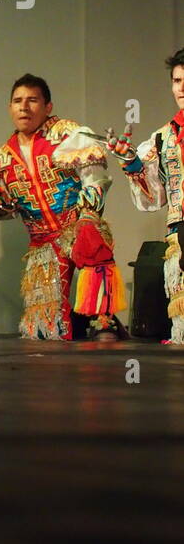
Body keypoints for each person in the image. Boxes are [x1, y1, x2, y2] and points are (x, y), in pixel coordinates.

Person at [0, 74, 126, 340]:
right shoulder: (1, 158)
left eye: (32, 100)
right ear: (10, 108)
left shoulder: (68, 134)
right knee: (45, 331)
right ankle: (72, 324)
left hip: (77, 224)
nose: (24, 107)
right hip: (42, 241)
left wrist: (87, 216)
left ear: (48, 107)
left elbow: (94, 175)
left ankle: (103, 320)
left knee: (92, 240)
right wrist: (1, 207)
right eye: (17, 101)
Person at [106, 48, 184, 344]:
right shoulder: (163, 138)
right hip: (181, 236)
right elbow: (153, 199)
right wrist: (132, 164)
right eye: (177, 81)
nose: (182, 88)